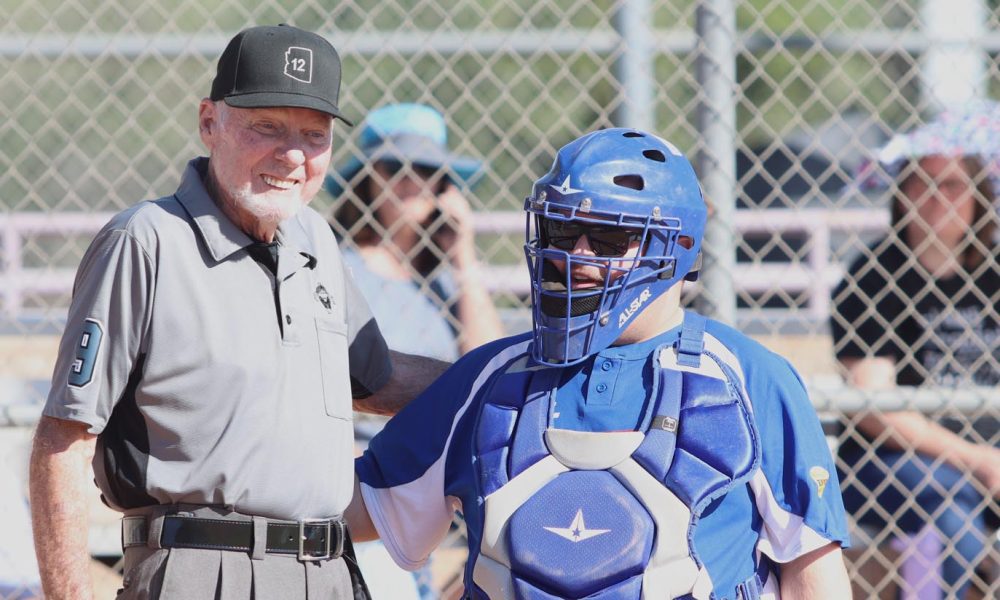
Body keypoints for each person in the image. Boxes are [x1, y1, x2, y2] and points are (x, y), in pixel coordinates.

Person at [28, 24, 447, 600]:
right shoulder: (146, 241)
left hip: (327, 571)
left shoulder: (315, 241)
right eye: (267, 127)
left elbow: (373, 380)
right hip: (201, 569)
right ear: (209, 123)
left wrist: (501, 375)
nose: (293, 154)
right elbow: (64, 436)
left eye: (314, 133)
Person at [344, 128, 853, 599]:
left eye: (608, 239)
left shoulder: (747, 375)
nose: (576, 255)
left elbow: (813, 572)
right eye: (563, 232)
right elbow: (355, 510)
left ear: (675, 248)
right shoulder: (491, 376)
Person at [831, 108, 1000, 598]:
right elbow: (876, 411)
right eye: (921, 183)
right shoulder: (875, 276)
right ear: (901, 194)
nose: (936, 198)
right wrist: (980, 461)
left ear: (977, 195)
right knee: (954, 506)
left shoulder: (993, 272)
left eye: (952, 185)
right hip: (889, 461)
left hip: (986, 453)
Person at [326, 103, 504, 361]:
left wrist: (463, 256)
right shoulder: (339, 264)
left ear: (442, 183)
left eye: (426, 168)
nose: (412, 180)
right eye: (395, 166)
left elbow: (491, 366)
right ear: (369, 176)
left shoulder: (449, 279)